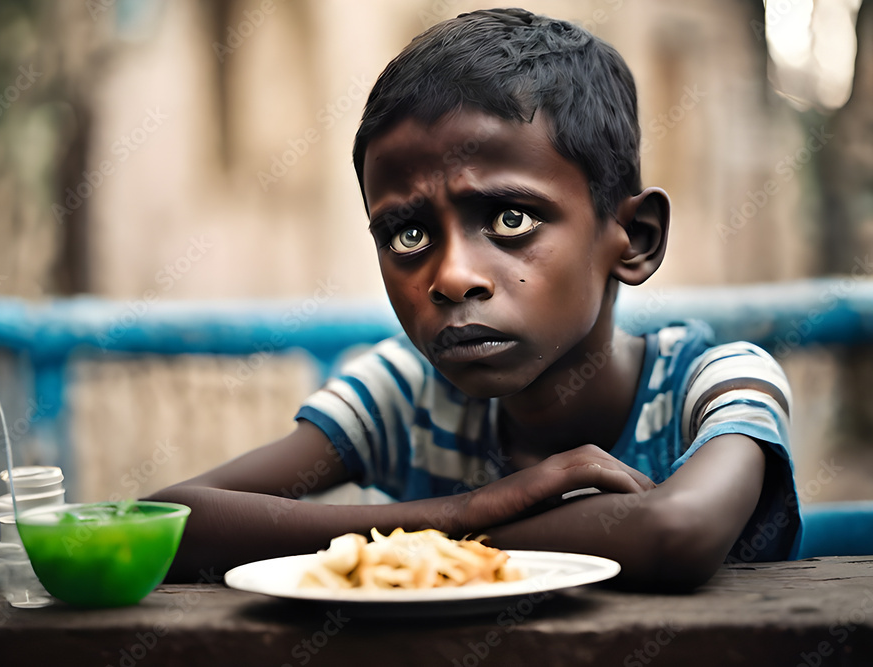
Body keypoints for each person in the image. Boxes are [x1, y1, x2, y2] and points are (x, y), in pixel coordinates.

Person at [148, 8, 801, 590]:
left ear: (633, 238)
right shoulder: (405, 394)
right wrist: (461, 513)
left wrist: (421, 542)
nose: (452, 276)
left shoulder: (714, 383)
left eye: (510, 220)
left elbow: (674, 531)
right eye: (408, 233)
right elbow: (165, 521)